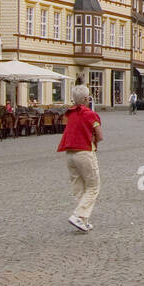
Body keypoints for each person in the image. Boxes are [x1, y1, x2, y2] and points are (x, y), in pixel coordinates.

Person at [58, 84, 103, 232]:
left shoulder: (70, 114)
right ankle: (78, 215)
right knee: (93, 186)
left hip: (69, 153)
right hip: (84, 152)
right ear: (86, 99)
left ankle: (83, 220)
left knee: (79, 187)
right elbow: (100, 135)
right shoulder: (90, 114)